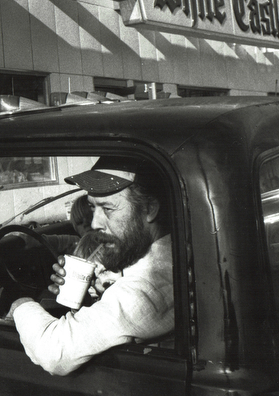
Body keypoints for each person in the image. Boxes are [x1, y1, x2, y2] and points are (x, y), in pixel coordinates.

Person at [9, 157, 173, 375]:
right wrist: (93, 294)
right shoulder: (168, 256)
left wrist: (20, 304)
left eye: (108, 208)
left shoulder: (146, 289)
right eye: (93, 207)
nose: (95, 223)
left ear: (149, 208)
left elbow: (53, 352)